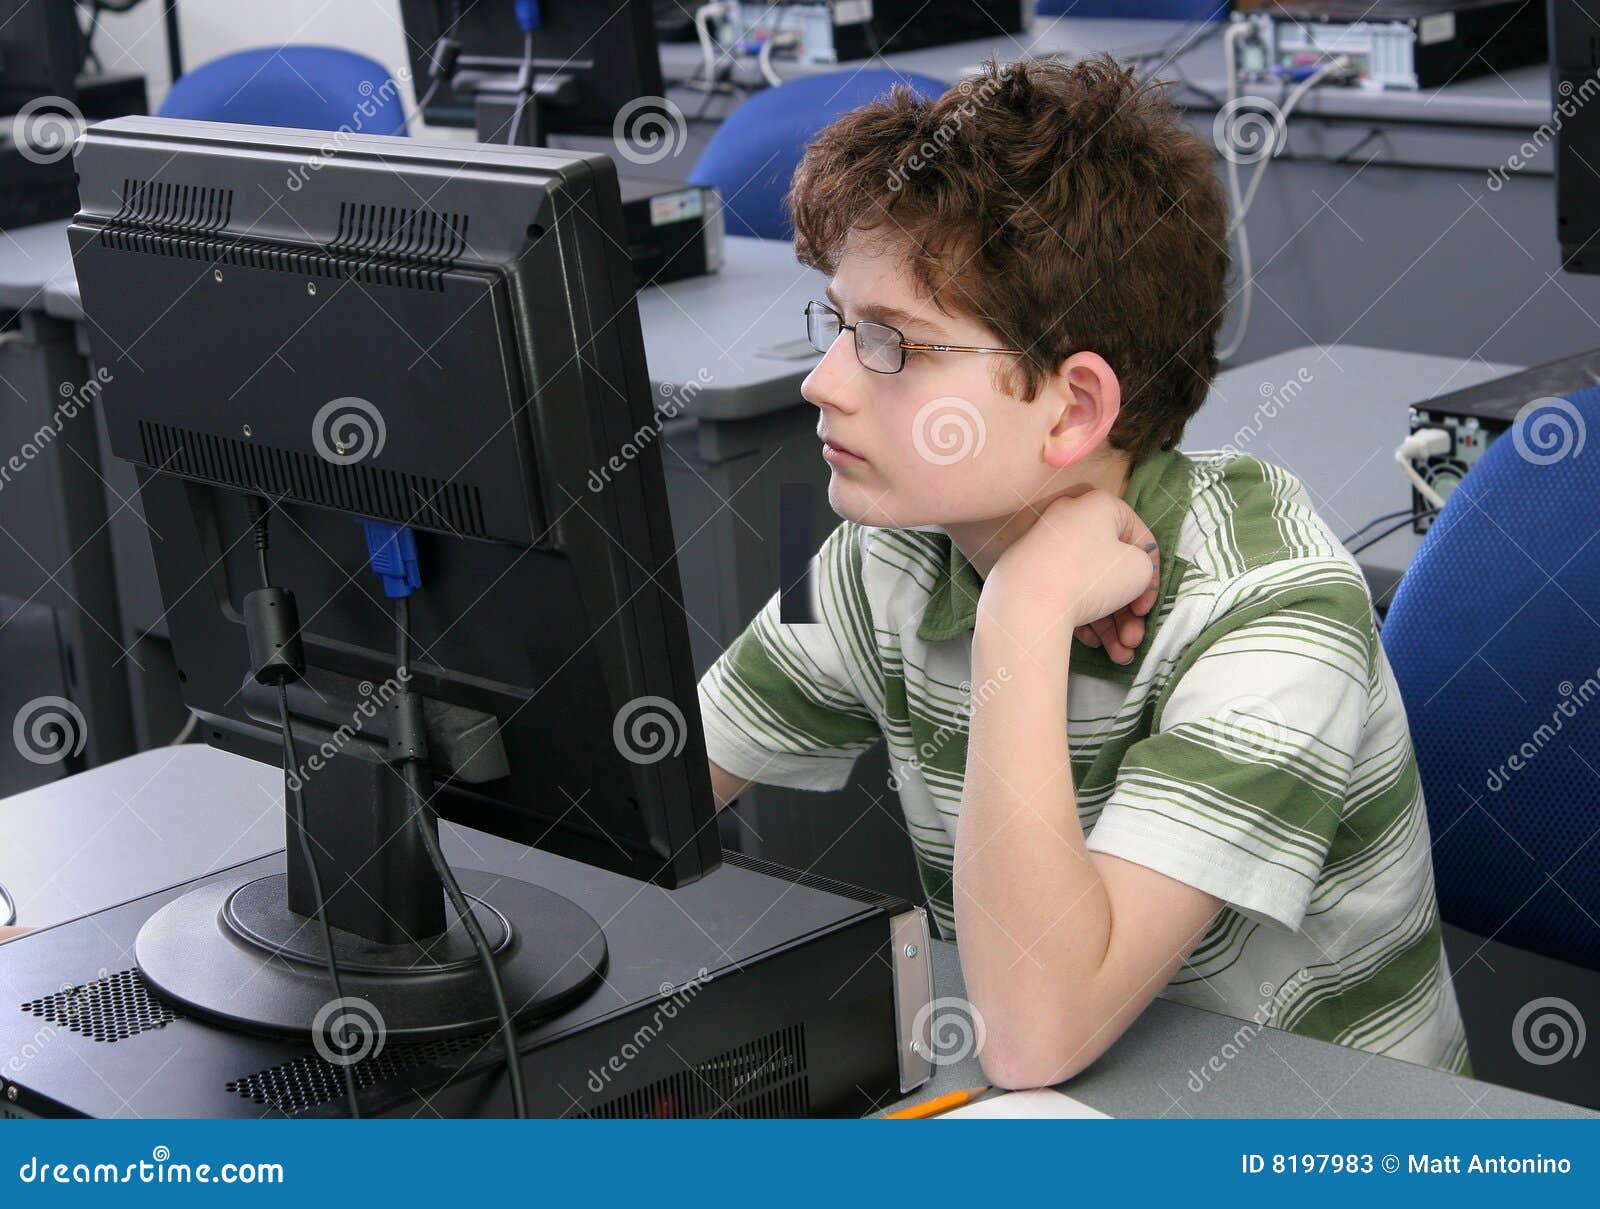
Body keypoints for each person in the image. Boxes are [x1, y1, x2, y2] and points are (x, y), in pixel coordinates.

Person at [696, 54, 1470, 1089]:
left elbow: (1030, 1034)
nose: (822, 381)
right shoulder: (874, 546)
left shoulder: (1274, 609)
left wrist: (1019, 617)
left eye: (891, 344)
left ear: (1071, 409)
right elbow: (645, 800)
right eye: (837, 324)